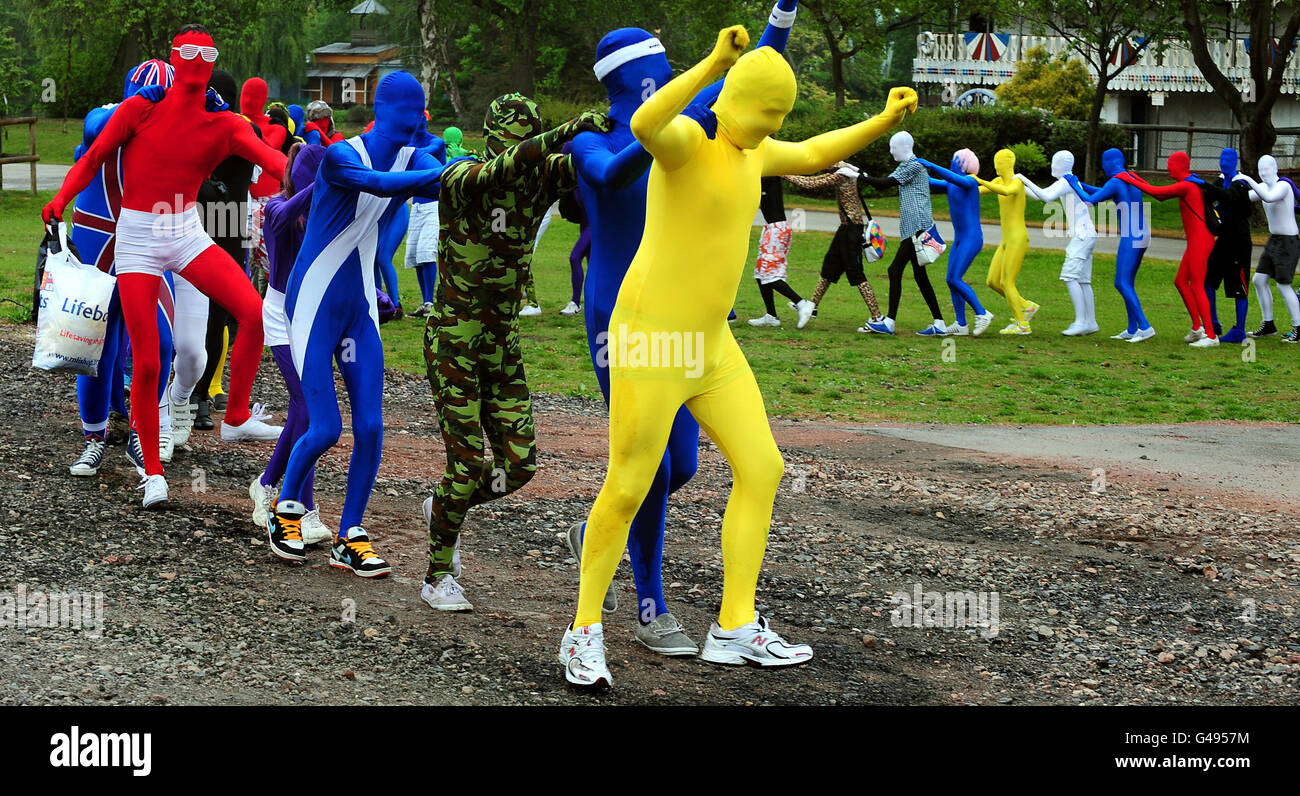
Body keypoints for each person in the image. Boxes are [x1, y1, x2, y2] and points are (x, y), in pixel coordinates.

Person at [557, 23, 917, 688]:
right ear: (731, 102)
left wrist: (882, 118)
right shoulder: (689, 140)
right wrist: (712, 63)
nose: (771, 127)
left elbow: (812, 149)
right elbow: (644, 123)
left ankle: (735, 626)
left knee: (764, 466)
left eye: (779, 116)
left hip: (710, 343)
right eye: (763, 113)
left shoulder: (754, 148)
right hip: (651, 338)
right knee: (631, 481)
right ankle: (582, 633)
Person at [564, 2, 802, 656]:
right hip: (625, 320)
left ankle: (598, 535)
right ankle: (648, 604)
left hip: (691, 328)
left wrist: (781, 15)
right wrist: (691, 108)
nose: (677, 75)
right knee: (645, 467)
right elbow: (621, 168)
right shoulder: (591, 144)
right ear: (634, 80)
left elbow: (750, 73)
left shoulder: (687, 118)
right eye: (662, 69)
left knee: (683, 465)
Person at [43, 24, 288, 508]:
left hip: (185, 231)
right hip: (137, 237)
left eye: (209, 52)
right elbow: (93, 155)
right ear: (175, 57)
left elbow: (274, 161)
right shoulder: (139, 108)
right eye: (189, 51)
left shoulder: (226, 124)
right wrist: (61, 197)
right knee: (150, 358)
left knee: (254, 313)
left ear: (216, 62)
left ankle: (235, 415)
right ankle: (152, 473)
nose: (200, 59)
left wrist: (323, 170)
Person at [419, 95, 611, 611]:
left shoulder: (541, 176)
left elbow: (606, 161)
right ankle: (438, 575)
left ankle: (443, 509)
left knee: (519, 464)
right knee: (465, 462)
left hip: (501, 340)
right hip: (454, 338)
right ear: (492, 139)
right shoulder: (461, 175)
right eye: (512, 143)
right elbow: (506, 167)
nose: (519, 154)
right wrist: (568, 128)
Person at [265, 71, 446, 574]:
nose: (416, 122)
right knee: (325, 426)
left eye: (421, 113)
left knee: (370, 425)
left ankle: (351, 534)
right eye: (409, 112)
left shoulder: (416, 155)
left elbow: (436, 174)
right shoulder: (341, 155)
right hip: (312, 301)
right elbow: (378, 183)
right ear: (385, 111)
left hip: (360, 304)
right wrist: (441, 171)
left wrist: (457, 167)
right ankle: (285, 510)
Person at [68, 60, 178, 477]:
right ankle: (93, 439)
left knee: (160, 343)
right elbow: (96, 125)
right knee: (95, 344)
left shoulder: (175, 126)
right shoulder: (106, 114)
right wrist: (134, 107)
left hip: (148, 243)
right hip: (98, 241)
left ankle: (143, 430)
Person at [248, 143, 333, 545]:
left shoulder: (324, 212)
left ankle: (289, 498)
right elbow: (282, 217)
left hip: (313, 314)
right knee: (306, 409)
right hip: (281, 314)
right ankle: (273, 491)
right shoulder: (276, 209)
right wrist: (320, 183)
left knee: (311, 415)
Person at [191, 69, 257, 435]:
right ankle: (200, 395)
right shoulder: (243, 129)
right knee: (212, 315)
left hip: (206, 221)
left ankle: (197, 395)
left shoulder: (231, 129)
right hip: (230, 224)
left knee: (209, 313)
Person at [1116, 151, 1219, 347]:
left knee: (1197, 285)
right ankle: (1198, 328)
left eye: (1171, 164)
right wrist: (1133, 177)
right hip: (1195, 241)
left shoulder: (1187, 185)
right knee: (1181, 282)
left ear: (1180, 165)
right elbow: (1157, 192)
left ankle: (1212, 336)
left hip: (1201, 241)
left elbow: (1158, 194)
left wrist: (1130, 179)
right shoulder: (1190, 182)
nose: (1168, 167)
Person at [859, 132, 947, 336]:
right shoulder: (905, 166)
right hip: (912, 228)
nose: (891, 151)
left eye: (893, 147)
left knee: (894, 270)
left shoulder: (914, 166)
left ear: (904, 146)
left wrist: (859, 177)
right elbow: (883, 180)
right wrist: (856, 171)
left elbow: (885, 184)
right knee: (920, 276)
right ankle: (940, 324)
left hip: (916, 228)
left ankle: (889, 322)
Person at [1065, 148, 1154, 342]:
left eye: (1104, 162)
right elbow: (1103, 193)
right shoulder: (1130, 178)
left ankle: (1145, 327)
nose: (1102, 166)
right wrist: (1081, 184)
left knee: (1121, 282)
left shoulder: (1115, 181)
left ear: (1111, 161)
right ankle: (1132, 329)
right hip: (1143, 234)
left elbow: (1089, 202)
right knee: (1127, 282)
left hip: (1131, 237)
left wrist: (1074, 184)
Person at [782, 163, 875, 330]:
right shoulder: (844, 170)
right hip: (846, 229)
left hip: (851, 230)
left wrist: (783, 173)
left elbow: (810, 184)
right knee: (829, 268)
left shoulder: (843, 174)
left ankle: (877, 317)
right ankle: (813, 306)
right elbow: (814, 179)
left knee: (856, 274)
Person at [1016, 151, 1099, 336]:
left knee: (1070, 277)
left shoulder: (1066, 182)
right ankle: (1090, 322)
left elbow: (1046, 197)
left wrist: (1022, 178)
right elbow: (1041, 196)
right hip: (1087, 235)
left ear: (1062, 164)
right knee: (1083, 281)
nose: (1052, 165)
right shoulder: (1069, 180)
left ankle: (1081, 321)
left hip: (1082, 236)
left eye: (1055, 162)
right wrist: (1019, 186)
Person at [917, 149, 994, 335]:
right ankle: (961, 324)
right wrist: (913, 168)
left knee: (954, 278)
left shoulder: (970, 181)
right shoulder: (950, 184)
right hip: (960, 238)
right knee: (950, 280)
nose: (952, 161)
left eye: (956, 159)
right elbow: (929, 182)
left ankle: (982, 313)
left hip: (972, 238)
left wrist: (930, 164)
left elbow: (953, 178)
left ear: (963, 164)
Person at [1234, 155, 1300, 342]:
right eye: (1260, 170)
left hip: (1288, 241)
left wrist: (1247, 179)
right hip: (1274, 240)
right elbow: (1245, 198)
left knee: (1283, 284)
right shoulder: (1262, 186)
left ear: (1275, 169)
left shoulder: (1283, 186)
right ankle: (1268, 324)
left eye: (1267, 169)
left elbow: (1269, 198)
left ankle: (1298, 327)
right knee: (1259, 280)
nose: (1264, 173)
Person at [972, 149, 1038, 335]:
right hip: (1006, 240)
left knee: (1007, 282)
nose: (995, 165)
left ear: (1008, 162)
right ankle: (1026, 306)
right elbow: (978, 191)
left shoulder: (1016, 183)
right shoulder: (998, 181)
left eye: (998, 162)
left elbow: (1006, 191)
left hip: (1018, 238)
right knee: (993, 281)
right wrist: (958, 183)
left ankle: (1022, 325)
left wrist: (980, 180)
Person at [242, 77, 288, 298]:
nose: (246, 101)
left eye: (251, 97)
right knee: (240, 260)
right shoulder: (236, 122)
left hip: (266, 202)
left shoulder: (275, 127)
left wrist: (247, 129)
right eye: (244, 95)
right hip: (239, 201)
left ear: (262, 100)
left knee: (268, 260)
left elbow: (267, 149)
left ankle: (272, 302)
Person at [1201, 148, 1252, 344]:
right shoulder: (1221, 181)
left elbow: (1226, 196)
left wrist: (1203, 184)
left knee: (1239, 288)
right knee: (1208, 280)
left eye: (1228, 158)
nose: (1224, 161)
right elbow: (1209, 195)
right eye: (1221, 158)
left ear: (1235, 161)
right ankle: (1212, 322)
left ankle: (1240, 330)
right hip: (1223, 241)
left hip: (1239, 243)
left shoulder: (1240, 184)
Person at [748, 175, 813, 327]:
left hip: (777, 231)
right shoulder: (765, 175)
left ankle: (802, 303)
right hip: (772, 229)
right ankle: (771, 316)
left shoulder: (770, 176)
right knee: (760, 273)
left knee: (769, 274)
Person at [405, 116, 448, 318]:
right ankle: (425, 302)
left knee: (427, 252)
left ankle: (431, 302)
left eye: (423, 118)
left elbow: (422, 154)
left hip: (435, 205)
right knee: (415, 256)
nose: (419, 122)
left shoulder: (436, 142)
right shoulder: (408, 143)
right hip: (417, 205)